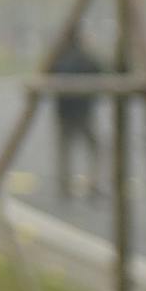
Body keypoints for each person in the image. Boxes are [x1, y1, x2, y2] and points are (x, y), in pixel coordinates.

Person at [50, 28, 104, 200]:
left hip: (63, 110)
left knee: (65, 149)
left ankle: (64, 186)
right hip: (83, 111)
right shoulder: (86, 58)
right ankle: (93, 183)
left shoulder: (58, 58)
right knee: (95, 148)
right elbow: (102, 74)